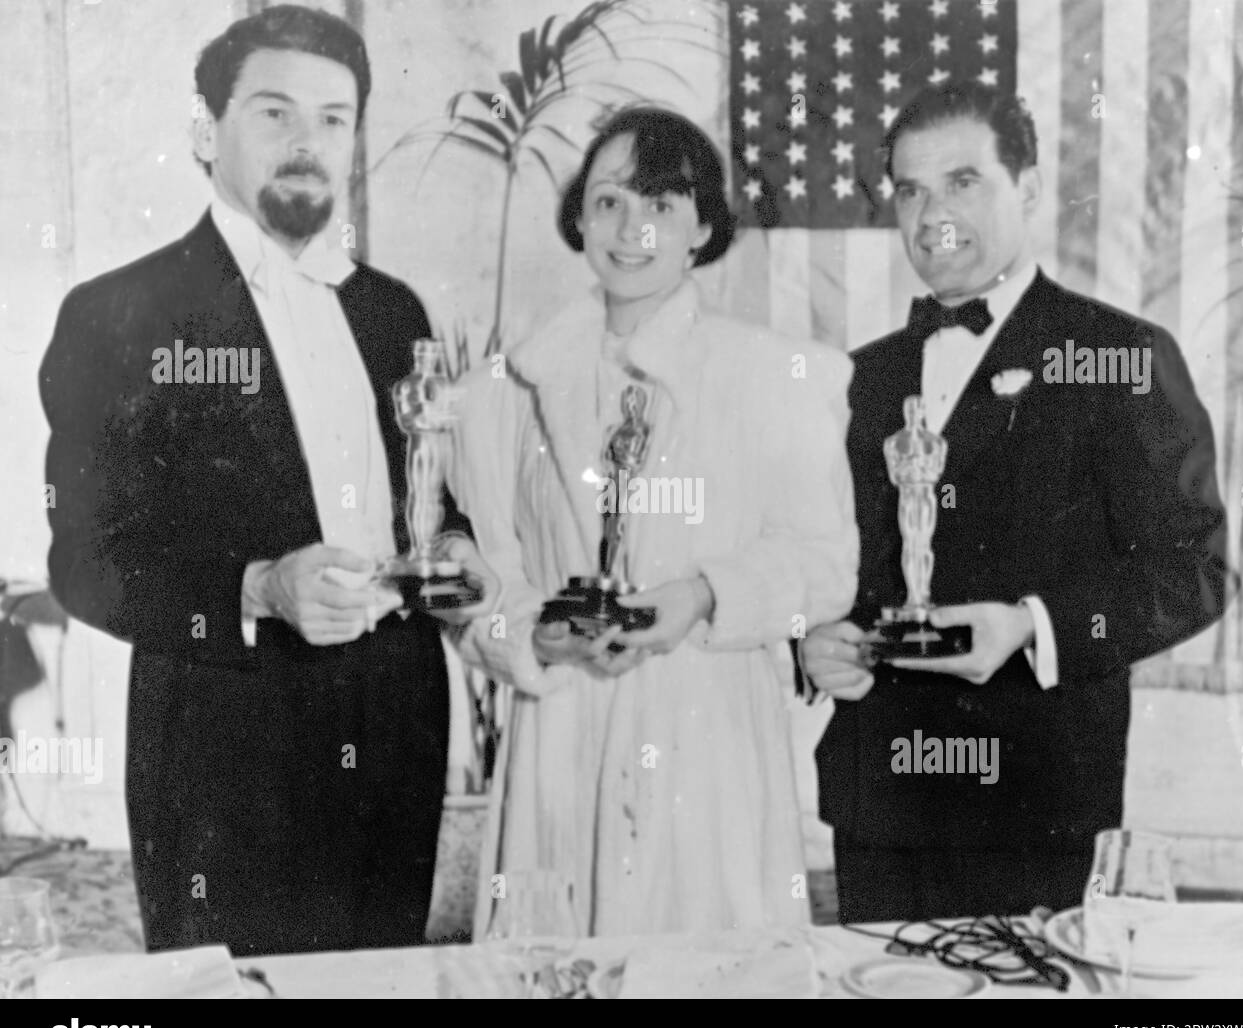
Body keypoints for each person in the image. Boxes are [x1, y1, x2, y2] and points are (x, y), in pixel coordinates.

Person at [40, 5, 494, 954]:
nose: (308, 143)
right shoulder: (119, 312)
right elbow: (86, 561)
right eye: (275, 114)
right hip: (222, 747)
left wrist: (453, 548)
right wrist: (255, 587)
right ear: (208, 132)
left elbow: (427, 496)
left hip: (396, 724)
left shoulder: (388, 308)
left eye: (334, 118)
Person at [802, 82, 1230, 923]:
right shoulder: (857, 378)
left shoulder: (1120, 355)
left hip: (1036, 804)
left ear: (1028, 189)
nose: (931, 215)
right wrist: (810, 648)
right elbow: (824, 567)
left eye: (962, 182)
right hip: (878, 803)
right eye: (910, 189)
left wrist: (1030, 627)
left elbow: (1195, 573)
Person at [452, 108, 859, 936]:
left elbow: (825, 566)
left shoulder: (769, 376)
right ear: (580, 219)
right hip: (560, 727)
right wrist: (534, 636)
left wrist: (706, 596)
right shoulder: (512, 390)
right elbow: (486, 579)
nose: (631, 229)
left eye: (662, 205)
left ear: (702, 225)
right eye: (609, 203)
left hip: (705, 732)